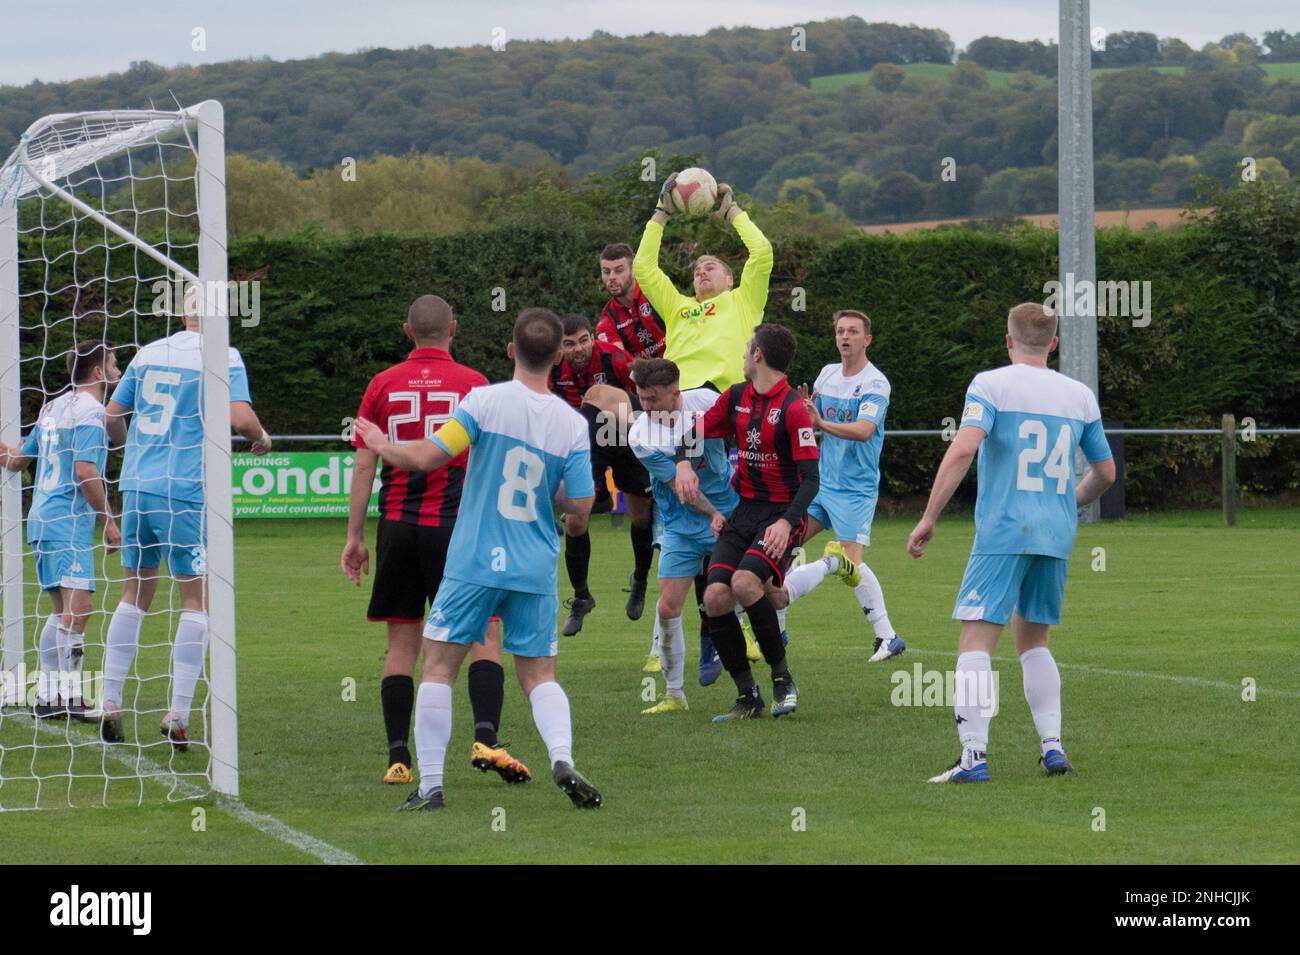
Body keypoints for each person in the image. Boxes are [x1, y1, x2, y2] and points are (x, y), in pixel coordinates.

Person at [354, 307, 603, 811]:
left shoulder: (484, 401)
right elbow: (579, 510)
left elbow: (427, 457)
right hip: (534, 564)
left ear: (511, 350)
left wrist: (381, 443)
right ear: (559, 356)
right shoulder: (572, 425)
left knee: (439, 667)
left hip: (474, 561)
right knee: (540, 674)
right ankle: (561, 757)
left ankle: (430, 787)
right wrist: (561, 511)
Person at [907, 303, 1115, 783]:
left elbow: (963, 448)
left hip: (1004, 529)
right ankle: (1052, 747)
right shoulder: (1079, 395)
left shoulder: (990, 384)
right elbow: (1105, 473)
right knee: (1034, 640)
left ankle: (973, 757)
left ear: (1008, 340)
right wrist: (1068, 503)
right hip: (1054, 533)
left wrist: (929, 517)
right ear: (1054, 343)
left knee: (976, 638)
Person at [341, 294, 529, 787]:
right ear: (455, 328)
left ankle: (399, 758)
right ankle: (486, 737)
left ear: (407, 332)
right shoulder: (474, 384)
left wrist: (355, 537)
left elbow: (365, 464)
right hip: (459, 529)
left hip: (399, 528)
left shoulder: (381, 384)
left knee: (402, 641)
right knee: (485, 630)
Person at [99, 311, 272, 749]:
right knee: (196, 597)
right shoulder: (222, 353)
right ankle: (177, 712)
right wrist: (263, 436)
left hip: (137, 484)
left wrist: (131, 449)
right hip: (185, 491)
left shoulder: (149, 352)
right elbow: (240, 418)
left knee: (134, 592)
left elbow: (111, 415)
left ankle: (110, 701)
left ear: (182, 313)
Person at [676, 325, 819, 721]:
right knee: (715, 597)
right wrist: (684, 462)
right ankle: (747, 697)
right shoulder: (736, 397)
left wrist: (787, 523)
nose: (742, 355)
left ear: (757, 355)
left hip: (783, 515)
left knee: (744, 582)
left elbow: (811, 479)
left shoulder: (792, 408)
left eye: (745, 348)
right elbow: (691, 435)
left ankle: (782, 679)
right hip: (746, 511)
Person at [775, 310, 906, 662]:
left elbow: (863, 431)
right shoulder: (827, 374)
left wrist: (820, 420)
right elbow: (813, 419)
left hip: (855, 490)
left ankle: (888, 636)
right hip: (821, 483)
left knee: (849, 565)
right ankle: (778, 626)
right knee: (781, 547)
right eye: (839, 331)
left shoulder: (877, 383)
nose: (844, 337)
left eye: (852, 331)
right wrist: (805, 413)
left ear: (867, 339)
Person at [0, 342, 121, 719]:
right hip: (66, 521)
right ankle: (69, 695)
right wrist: (110, 521)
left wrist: (4, 452)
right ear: (98, 373)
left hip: (40, 519)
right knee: (79, 609)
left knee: (60, 612)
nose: (119, 369)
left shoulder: (52, 407)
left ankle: (48, 695)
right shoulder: (91, 412)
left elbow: (18, 461)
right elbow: (85, 471)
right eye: (114, 363)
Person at [628, 357, 738, 709]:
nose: (645, 407)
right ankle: (674, 694)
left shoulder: (705, 402)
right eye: (641, 398)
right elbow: (683, 488)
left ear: (676, 393)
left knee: (765, 592)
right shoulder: (641, 434)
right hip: (683, 523)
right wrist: (714, 514)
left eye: (653, 399)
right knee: (668, 607)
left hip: (731, 514)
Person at [549, 313, 656, 632]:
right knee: (576, 521)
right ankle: (582, 597)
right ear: (560, 348)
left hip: (626, 436)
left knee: (641, 519)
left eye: (583, 340)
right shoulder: (552, 370)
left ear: (591, 339)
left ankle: (639, 580)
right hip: (586, 443)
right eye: (569, 344)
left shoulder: (614, 358)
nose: (578, 348)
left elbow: (648, 385)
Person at [633, 173, 772, 392]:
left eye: (710, 268)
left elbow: (762, 253)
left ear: (729, 280)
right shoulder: (677, 306)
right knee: (603, 397)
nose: (701, 273)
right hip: (672, 395)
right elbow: (643, 268)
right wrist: (661, 213)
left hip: (718, 397)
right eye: (697, 271)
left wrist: (732, 212)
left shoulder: (743, 300)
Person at [596, 242, 666, 359]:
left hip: (682, 363)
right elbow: (620, 360)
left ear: (633, 271)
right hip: (645, 374)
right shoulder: (606, 322)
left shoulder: (655, 292)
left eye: (619, 271)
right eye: (606, 272)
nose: (611, 277)